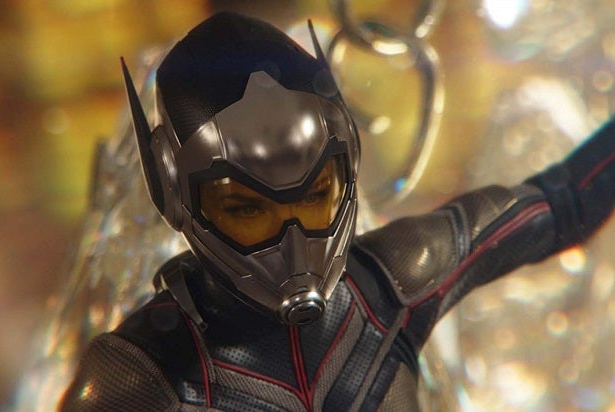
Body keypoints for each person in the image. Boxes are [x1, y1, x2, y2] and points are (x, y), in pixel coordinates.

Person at [59, 12, 615, 411]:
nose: (294, 245)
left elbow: (565, 202)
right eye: (248, 209)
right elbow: (565, 200)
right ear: (172, 189)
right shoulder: (140, 374)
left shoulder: (396, 280)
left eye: (312, 196)